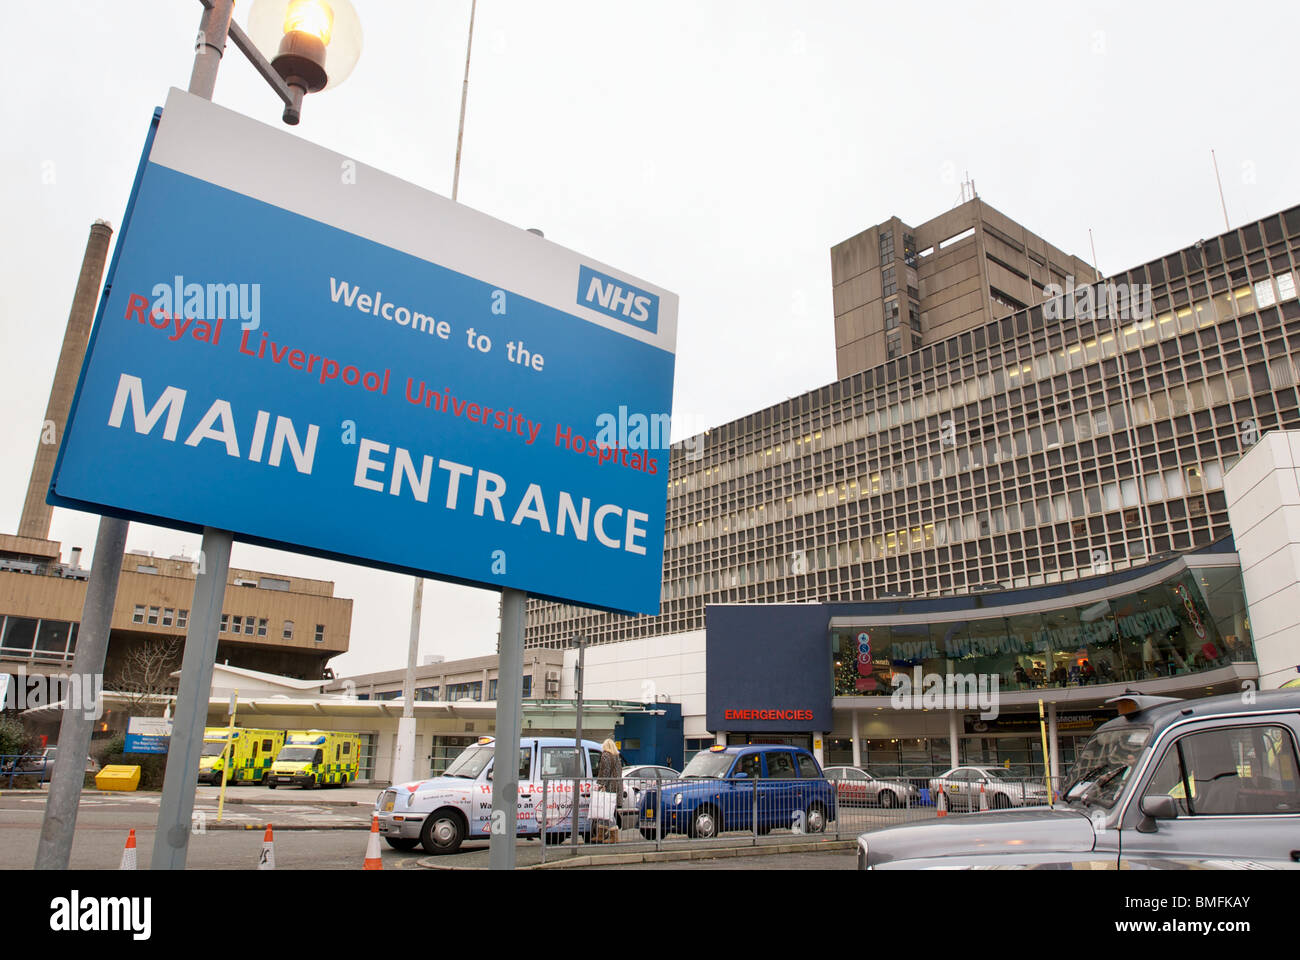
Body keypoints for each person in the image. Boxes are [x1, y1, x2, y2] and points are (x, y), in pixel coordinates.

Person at [594, 739, 622, 842]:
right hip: (617, 786)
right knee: (606, 811)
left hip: (609, 787)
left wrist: (601, 784)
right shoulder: (616, 757)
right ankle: (600, 835)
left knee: (608, 812)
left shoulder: (606, 755)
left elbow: (605, 771)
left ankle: (613, 837)